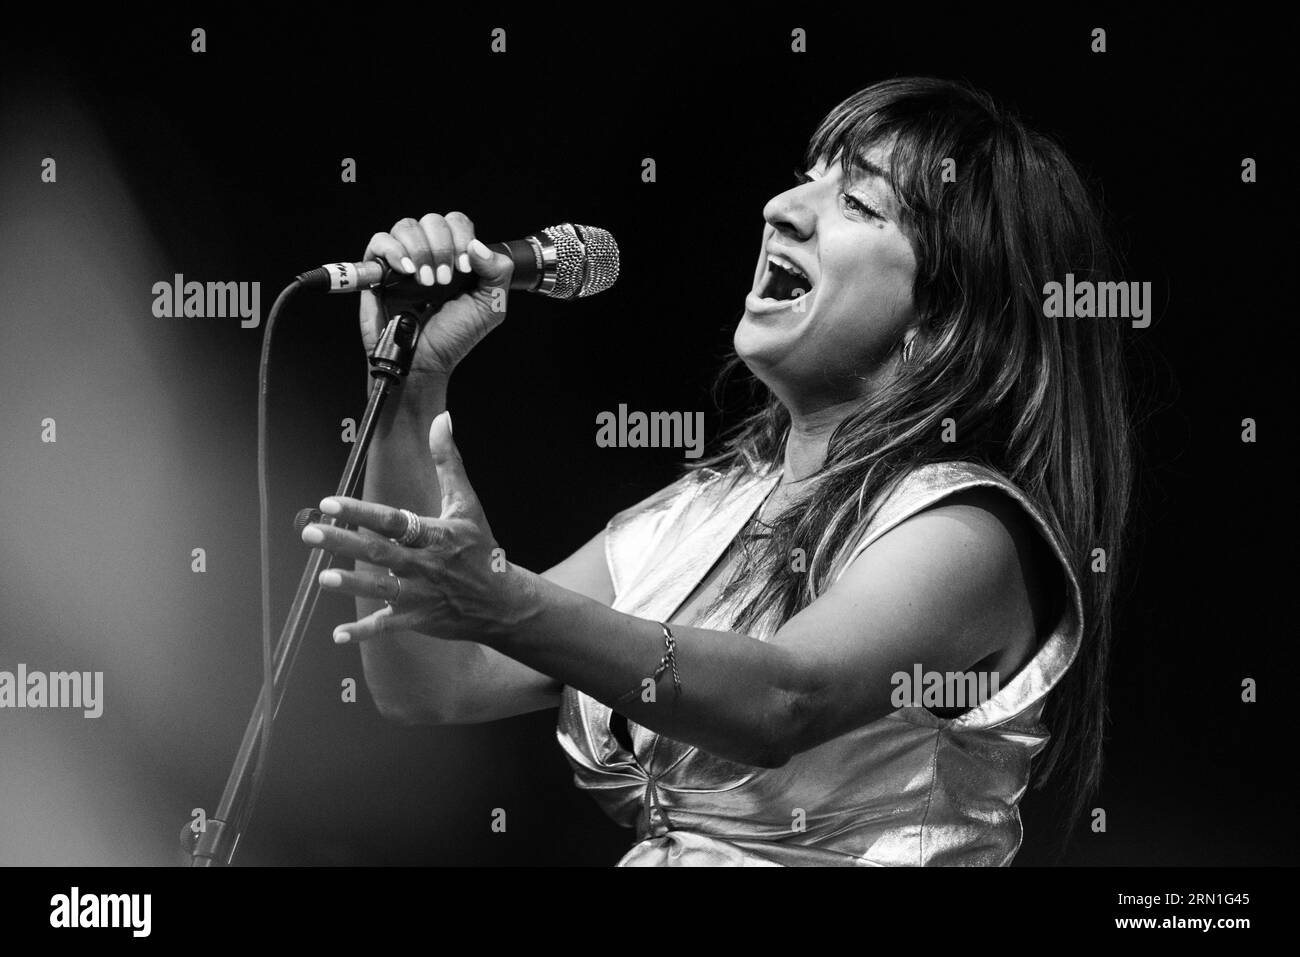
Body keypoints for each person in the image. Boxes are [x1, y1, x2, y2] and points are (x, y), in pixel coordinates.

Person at [300, 76, 1133, 866]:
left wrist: (503, 595)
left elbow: (784, 700)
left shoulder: (970, 534)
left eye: (856, 202)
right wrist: (408, 392)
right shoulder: (703, 510)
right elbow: (439, 680)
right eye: (805, 180)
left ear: (945, 319)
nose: (780, 209)